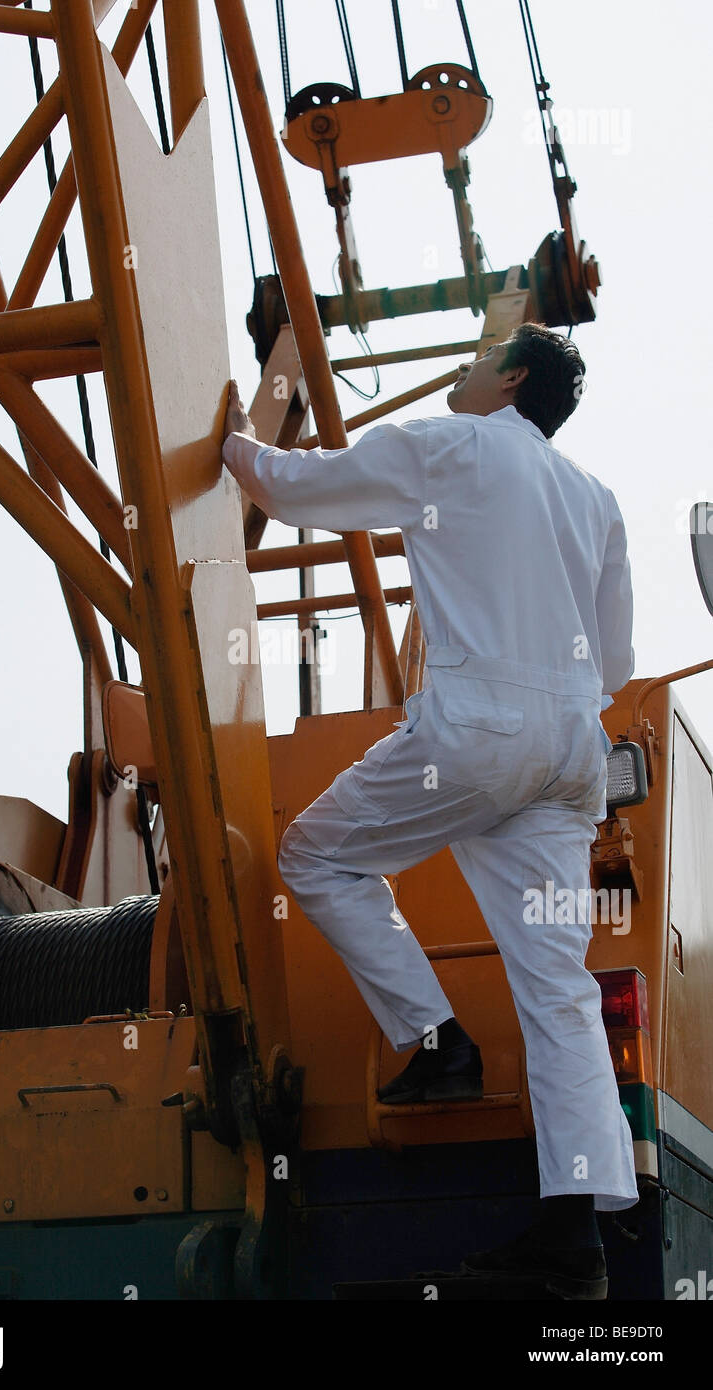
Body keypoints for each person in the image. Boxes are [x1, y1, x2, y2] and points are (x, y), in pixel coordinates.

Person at [222, 322, 638, 1300]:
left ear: (515, 379)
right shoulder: (599, 500)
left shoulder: (455, 446)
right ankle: (573, 1238)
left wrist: (231, 435)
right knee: (559, 992)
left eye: (483, 358)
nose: (465, 367)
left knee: (317, 853)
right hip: (572, 759)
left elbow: (286, 487)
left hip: (475, 736)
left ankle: (439, 1040)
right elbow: (617, 667)